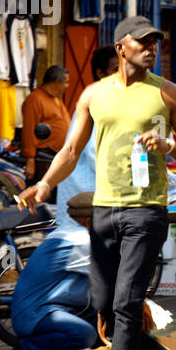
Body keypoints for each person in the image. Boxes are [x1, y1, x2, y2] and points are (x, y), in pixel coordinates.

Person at [18, 16, 176, 350]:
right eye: (142, 41)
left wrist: (169, 144)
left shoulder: (169, 94)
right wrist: (45, 186)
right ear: (121, 47)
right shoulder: (94, 94)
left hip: (146, 211)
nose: (151, 47)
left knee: (127, 301)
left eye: (155, 41)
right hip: (104, 210)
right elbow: (69, 151)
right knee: (104, 304)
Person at [9, 192, 99, 350]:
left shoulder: (68, 232)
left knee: (105, 328)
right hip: (37, 313)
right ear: (89, 220)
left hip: (59, 307)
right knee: (85, 335)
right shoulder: (80, 241)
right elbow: (112, 278)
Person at [56, 47, 121, 230]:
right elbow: (97, 155)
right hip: (84, 201)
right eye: (116, 70)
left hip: (97, 201)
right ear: (100, 73)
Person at [21, 65, 70, 177]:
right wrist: (30, 161)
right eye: (66, 82)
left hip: (58, 156)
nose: (67, 86)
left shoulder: (56, 97)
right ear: (57, 82)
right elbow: (29, 131)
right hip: (45, 157)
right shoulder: (35, 99)